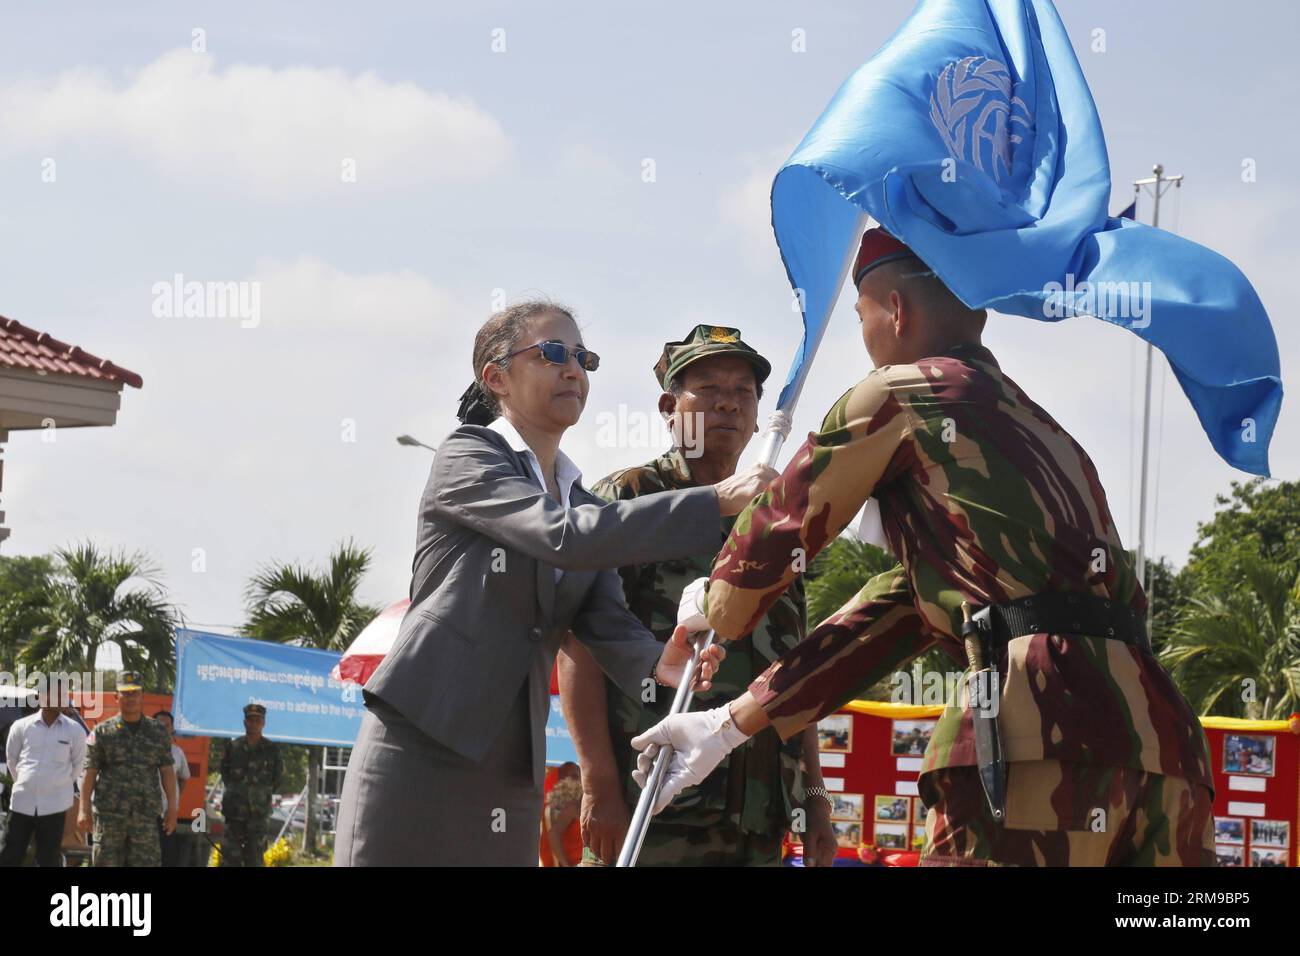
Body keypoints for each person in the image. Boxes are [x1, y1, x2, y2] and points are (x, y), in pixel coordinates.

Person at [634, 228, 1216, 867]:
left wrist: (713, 606)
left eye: (860, 317)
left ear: (895, 311)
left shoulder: (898, 394)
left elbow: (783, 528)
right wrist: (731, 723)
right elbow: (902, 609)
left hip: (1035, 731)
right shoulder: (1037, 426)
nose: (864, 338)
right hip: (1162, 746)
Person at [334, 299, 774, 866]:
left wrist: (655, 660)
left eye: (583, 358)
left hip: (512, 760)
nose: (574, 370)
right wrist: (715, 500)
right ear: (497, 378)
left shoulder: (580, 498)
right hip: (421, 736)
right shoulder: (467, 457)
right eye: (553, 354)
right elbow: (563, 536)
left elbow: (603, 617)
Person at [559, 324, 836, 867]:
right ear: (669, 407)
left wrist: (816, 798)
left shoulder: (778, 523)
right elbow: (579, 647)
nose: (728, 404)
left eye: (743, 392)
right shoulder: (632, 499)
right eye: (707, 389)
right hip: (655, 806)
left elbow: (793, 672)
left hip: (757, 815)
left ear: (759, 416)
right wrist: (599, 786)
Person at [78, 671, 177, 866]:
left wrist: (172, 809)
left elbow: (167, 772)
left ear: (142, 696)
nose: (130, 697)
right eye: (125, 693)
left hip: (145, 818)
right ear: (116, 697)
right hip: (110, 818)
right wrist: (83, 809)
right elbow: (89, 772)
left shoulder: (158, 732)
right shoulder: (102, 732)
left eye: (135, 692)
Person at [0, 679, 86, 867]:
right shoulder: (21, 726)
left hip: (54, 806)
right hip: (22, 802)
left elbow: (78, 765)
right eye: (49, 693)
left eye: (59, 694)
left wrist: (57, 785)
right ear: (39, 698)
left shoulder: (75, 731)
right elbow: (11, 759)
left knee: (48, 857)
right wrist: (25, 783)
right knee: (11, 853)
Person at [219, 703, 283, 867]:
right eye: (250, 720)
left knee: (255, 859)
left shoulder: (272, 750)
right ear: (244, 722)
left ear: (263, 723)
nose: (254, 723)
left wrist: (258, 795)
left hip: (258, 815)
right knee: (230, 858)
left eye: (257, 720)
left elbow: (277, 779)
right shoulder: (233, 748)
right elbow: (225, 774)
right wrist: (239, 792)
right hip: (234, 813)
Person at [152, 711, 191, 866]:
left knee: (166, 857)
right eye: (158, 725)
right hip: (145, 814)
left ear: (172, 728)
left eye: (166, 726)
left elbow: (184, 778)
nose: (162, 729)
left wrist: (173, 803)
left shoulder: (177, 752)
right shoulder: (142, 750)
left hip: (167, 815)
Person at [539, 762, 583, 867]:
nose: (581, 776)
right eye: (575, 775)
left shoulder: (578, 804)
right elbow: (553, 835)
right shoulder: (573, 806)